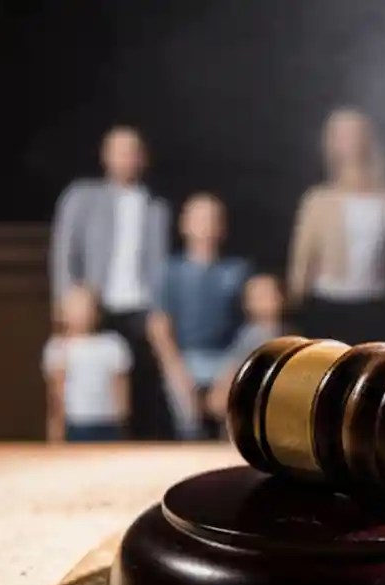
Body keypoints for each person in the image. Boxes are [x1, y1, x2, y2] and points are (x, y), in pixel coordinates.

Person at [49, 126, 173, 439]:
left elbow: (161, 266)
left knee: (140, 392)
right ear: (105, 156)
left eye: (133, 152)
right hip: (96, 307)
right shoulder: (82, 196)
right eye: (119, 151)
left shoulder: (157, 207)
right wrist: (66, 305)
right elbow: (64, 252)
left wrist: (159, 310)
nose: (127, 158)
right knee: (88, 390)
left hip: (141, 310)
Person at [287, 107, 385, 344]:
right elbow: (301, 261)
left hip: (378, 304)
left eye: (354, 132)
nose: (348, 141)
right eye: (340, 134)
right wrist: (293, 307)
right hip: (330, 305)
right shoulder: (318, 199)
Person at [147, 193, 250, 439]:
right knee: (188, 420)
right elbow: (158, 327)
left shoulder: (238, 271)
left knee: (234, 419)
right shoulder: (169, 271)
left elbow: (251, 330)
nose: (206, 225)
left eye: (213, 219)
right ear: (184, 224)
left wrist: (231, 372)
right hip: (184, 359)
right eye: (199, 218)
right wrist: (177, 371)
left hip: (227, 360)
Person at [43, 286, 132, 443]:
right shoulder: (58, 347)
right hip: (76, 423)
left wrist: (122, 420)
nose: (80, 313)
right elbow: (56, 392)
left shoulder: (112, 344)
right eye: (74, 306)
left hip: (107, 421)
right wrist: (56, 428)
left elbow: (120, 386)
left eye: (85, 306)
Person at [206, 273, 288, 424]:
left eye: (268, 293)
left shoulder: (287, 335)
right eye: (257, 295)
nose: (264, 299)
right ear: (247, 303)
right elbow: (228, 378)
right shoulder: (249, 337)